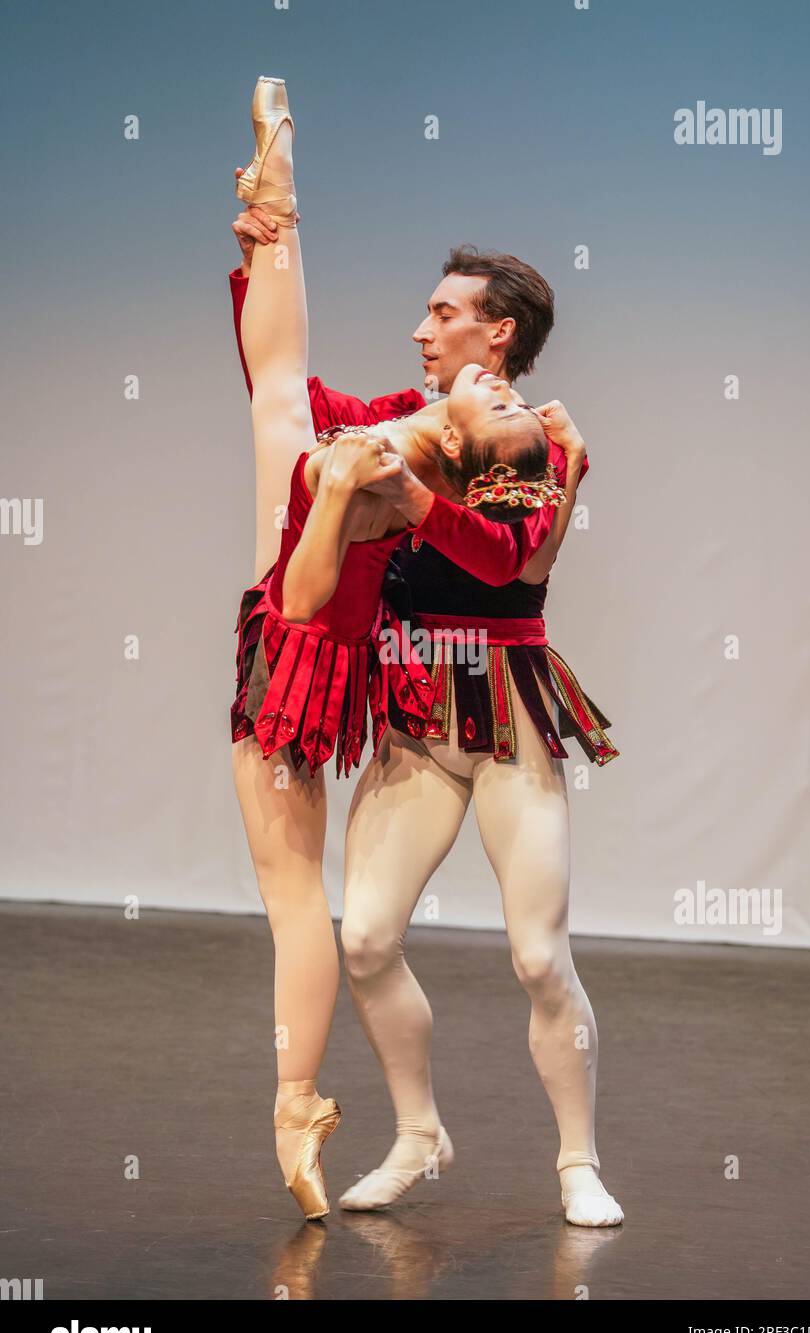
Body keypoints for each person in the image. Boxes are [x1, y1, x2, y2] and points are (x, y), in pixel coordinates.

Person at [229, 77, 578, 1221]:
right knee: (367, 934)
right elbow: (287, 391)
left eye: (443, 313)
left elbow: (509, 563)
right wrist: (270, 260)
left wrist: (399, 479)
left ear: (499, 331)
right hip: (417, 702)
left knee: (537, 954)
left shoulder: (542, 439)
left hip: (508, 700)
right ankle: (417, 1133)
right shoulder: (413, 417)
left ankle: (576, 1158)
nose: (423, 326)